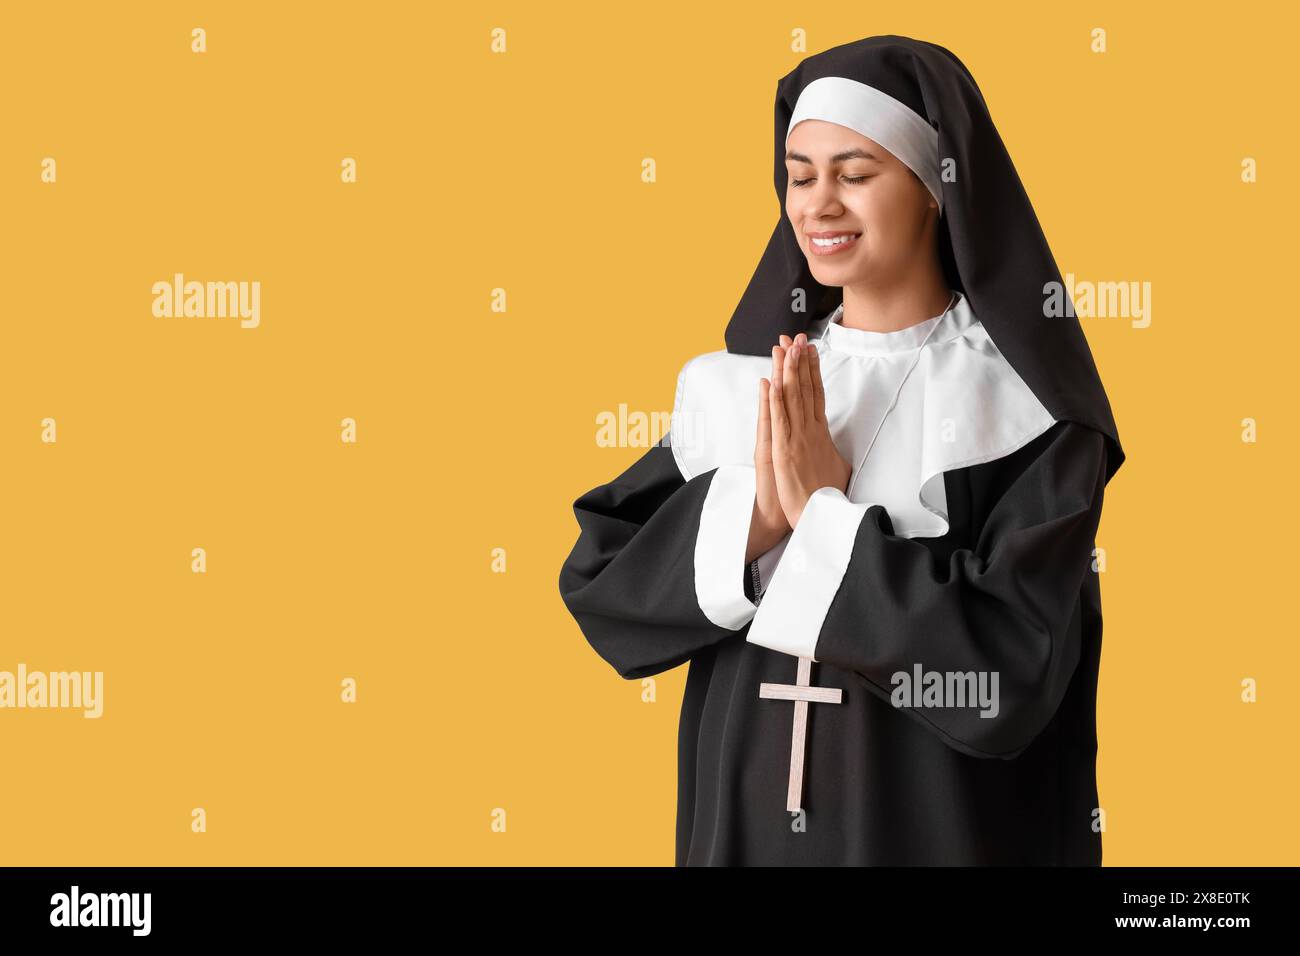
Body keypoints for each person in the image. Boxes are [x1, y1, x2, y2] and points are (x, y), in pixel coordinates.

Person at [558, 34, 1125, 865]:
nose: (819, 203)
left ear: (936, 189)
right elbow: (602, 586)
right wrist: (756, 515)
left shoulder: (1029, 415)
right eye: (800, 173)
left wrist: (823, 519)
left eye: (856, 174)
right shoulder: (741, 387)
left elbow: (1012, 674)